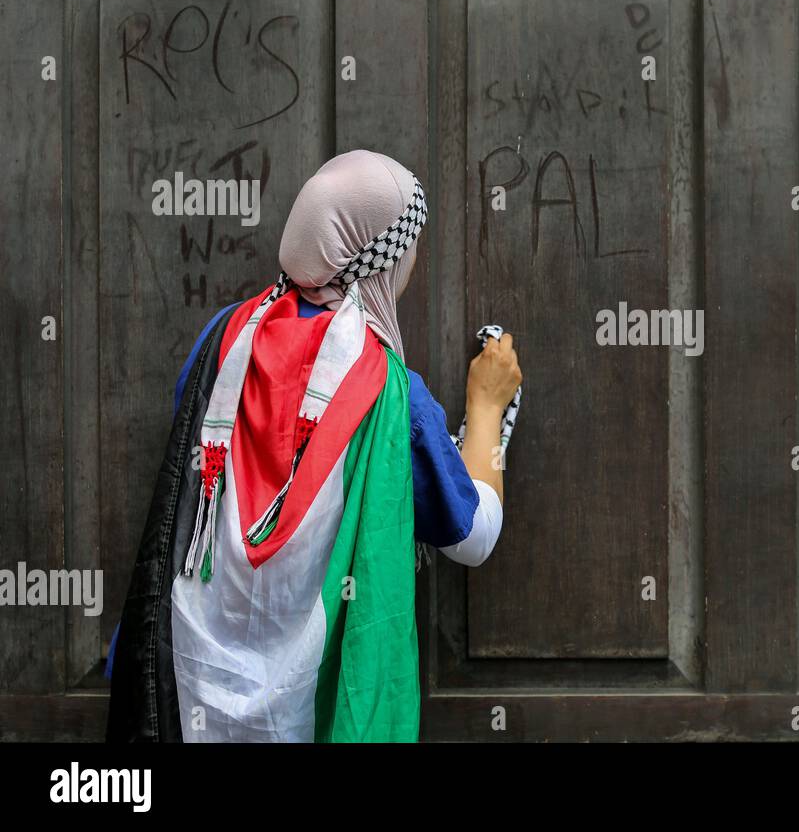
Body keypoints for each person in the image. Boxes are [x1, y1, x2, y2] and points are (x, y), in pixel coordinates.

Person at [106, 150, 522, 742]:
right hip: (309, 710)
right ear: (379, 258)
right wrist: (486, 407)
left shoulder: (221, 342)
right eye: (407, 253)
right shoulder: (387, 393)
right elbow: (474, 536)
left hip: (193, 690)